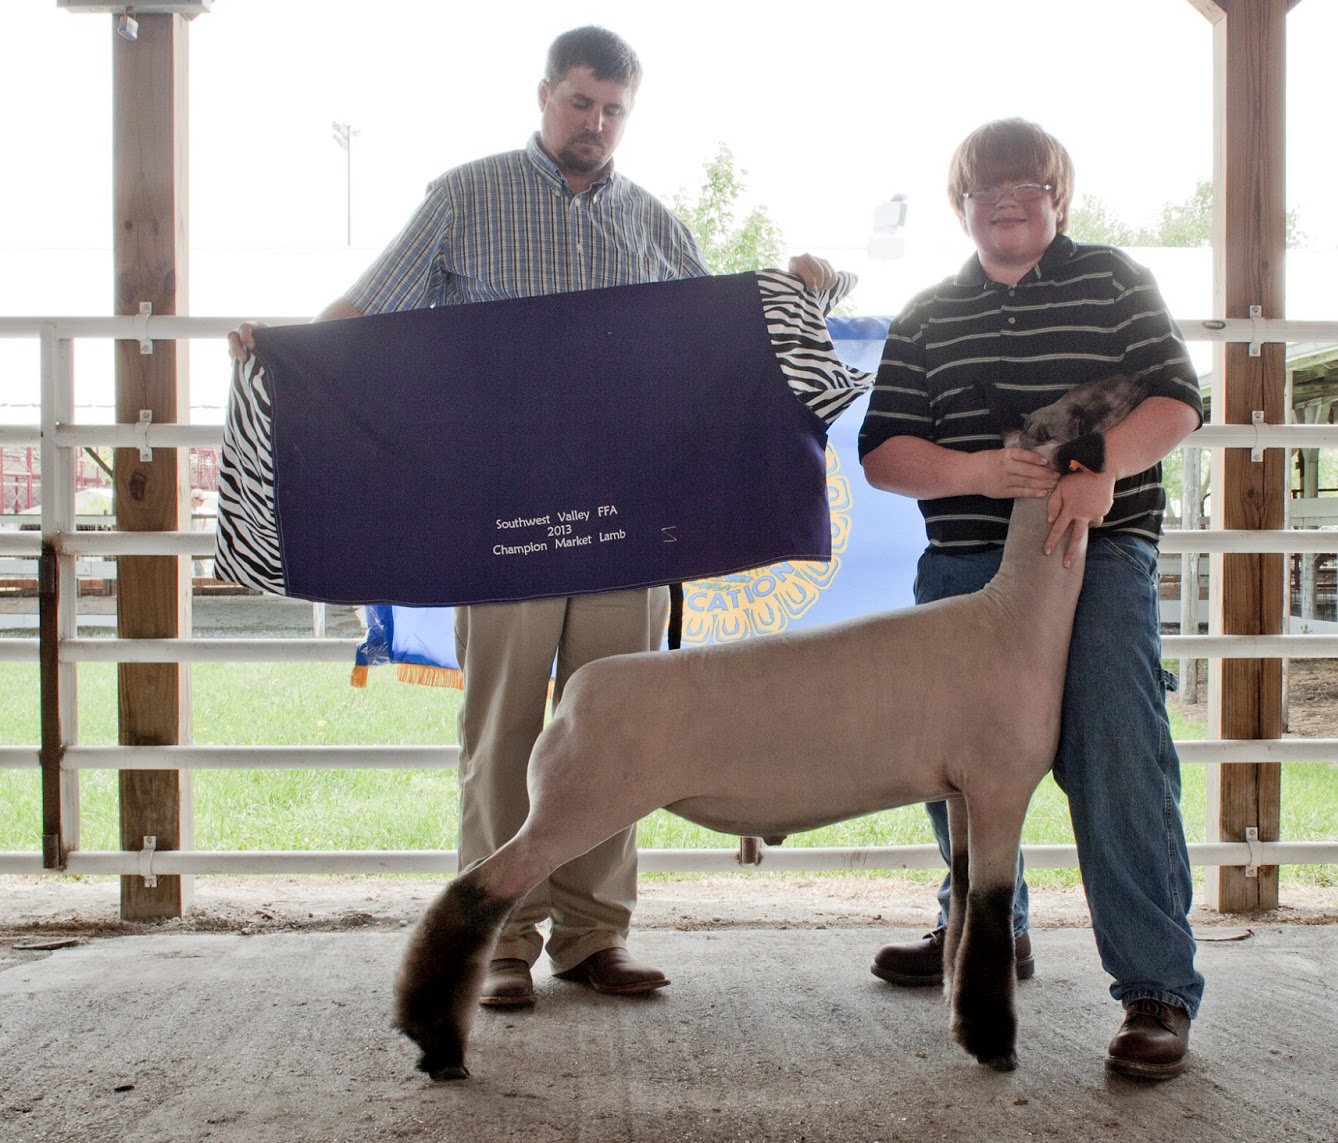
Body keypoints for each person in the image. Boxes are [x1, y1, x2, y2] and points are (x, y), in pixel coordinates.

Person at [230, 25, 835, 1009]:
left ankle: (595, 936)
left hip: (628, 517)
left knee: (621, 728)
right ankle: (499, 940)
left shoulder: (653, 220)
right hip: (498, 521)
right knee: (501, 724)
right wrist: (282, 353)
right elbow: (368, 315)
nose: (594, 125)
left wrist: (790, 292)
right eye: (580, 103)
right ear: (545, 93)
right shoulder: (464, 195)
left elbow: (714, 334)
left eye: (613, 111)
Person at [856, 117, 1205, 1079]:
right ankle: (982, 933)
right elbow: (883, 453)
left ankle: (1155, 989)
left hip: (1092, 556)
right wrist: (977, 469)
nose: (1007, 201)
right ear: (958, 202)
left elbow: (1175, 397)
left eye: (1029, 185)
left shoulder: (1115, 281)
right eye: (987, 186)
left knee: (1115, 751)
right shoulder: (928, 314)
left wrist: (1104, 471)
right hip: (966, 565)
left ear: (1061, 197)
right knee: (951, 763)